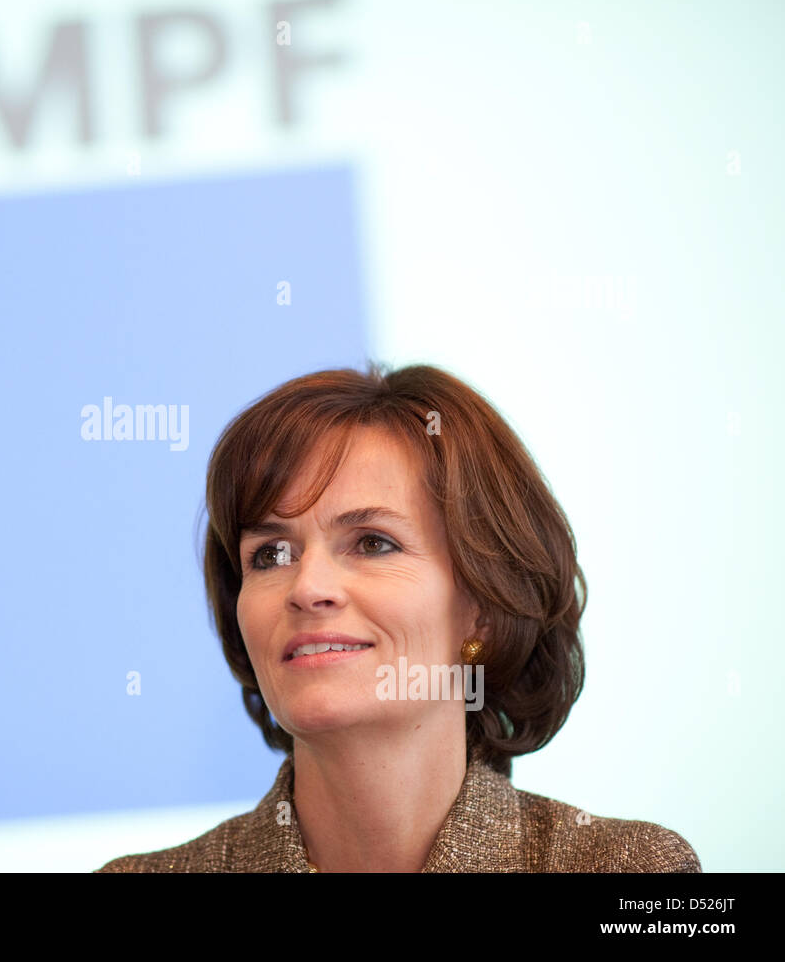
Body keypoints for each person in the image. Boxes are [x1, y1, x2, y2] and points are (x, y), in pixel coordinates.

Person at [96, 364, 700, 872]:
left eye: (373, 543)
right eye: (270, 554)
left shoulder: (632, 868)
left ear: (486, 608)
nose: (307, 588)